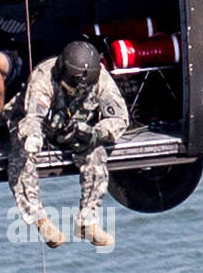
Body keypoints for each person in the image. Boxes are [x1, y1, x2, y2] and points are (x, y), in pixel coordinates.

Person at [8, 39, 129, 248]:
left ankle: (87, 221)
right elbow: (33, 118)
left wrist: (94, 134)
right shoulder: (43, 78)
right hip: (37, 125)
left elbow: (120, 118)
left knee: (97, 156)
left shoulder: (100, 79)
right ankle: (39, 219)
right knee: (22, 156)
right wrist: (33, 138)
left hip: (73, 128)